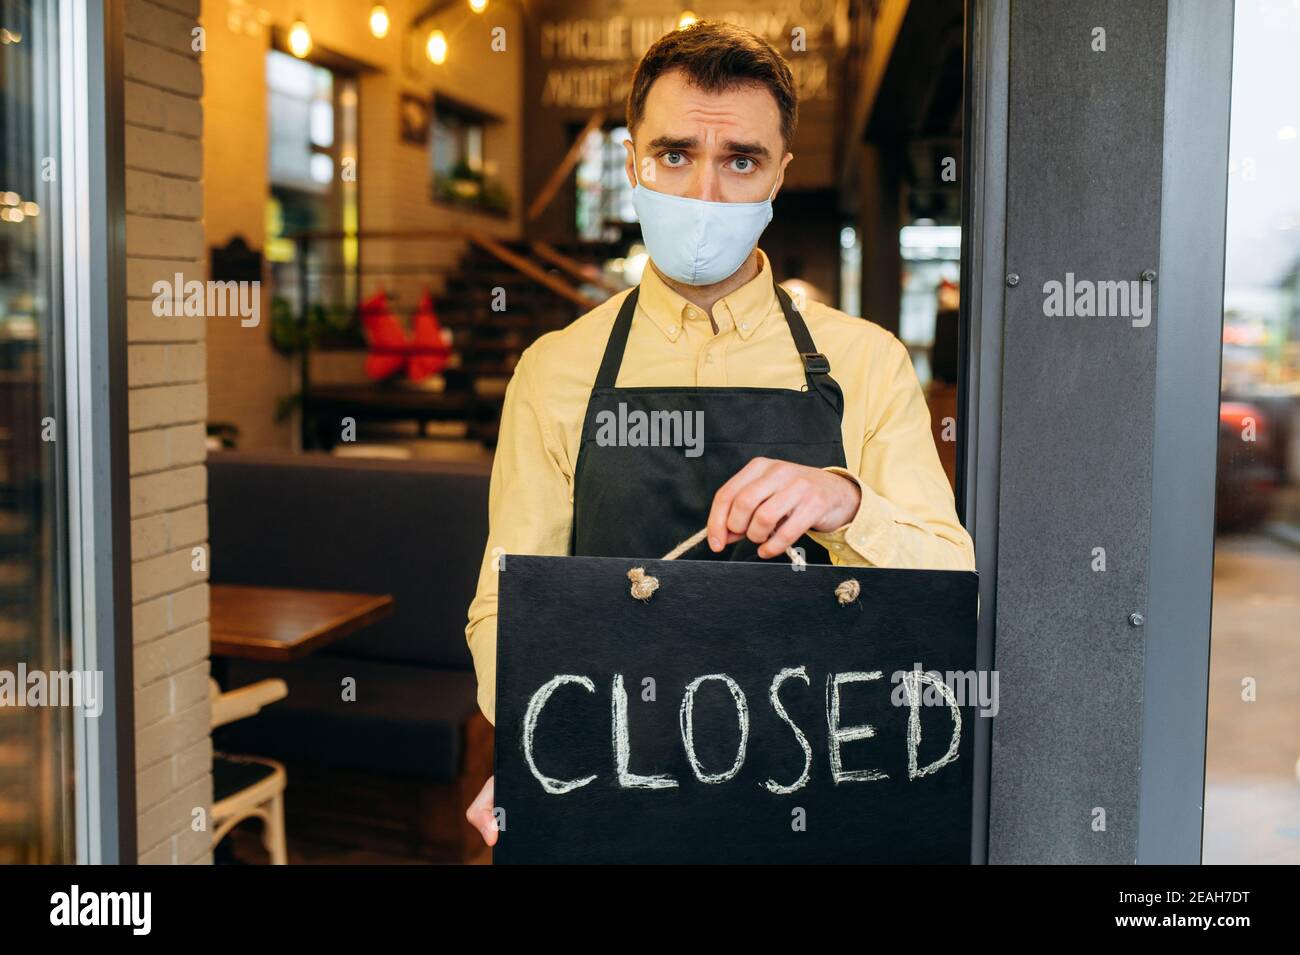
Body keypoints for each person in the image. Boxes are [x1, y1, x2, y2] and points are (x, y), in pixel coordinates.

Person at [463, 20, 975, 845]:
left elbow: (952, 579)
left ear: (780, 174)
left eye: (739, 160)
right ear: (634, 162)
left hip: (821, 795)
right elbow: (503, 603)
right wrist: (540, 732)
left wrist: (846, 502)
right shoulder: (555, 370)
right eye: (674, 155)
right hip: (616, 788)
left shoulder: (866, 362)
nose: (704, 193)